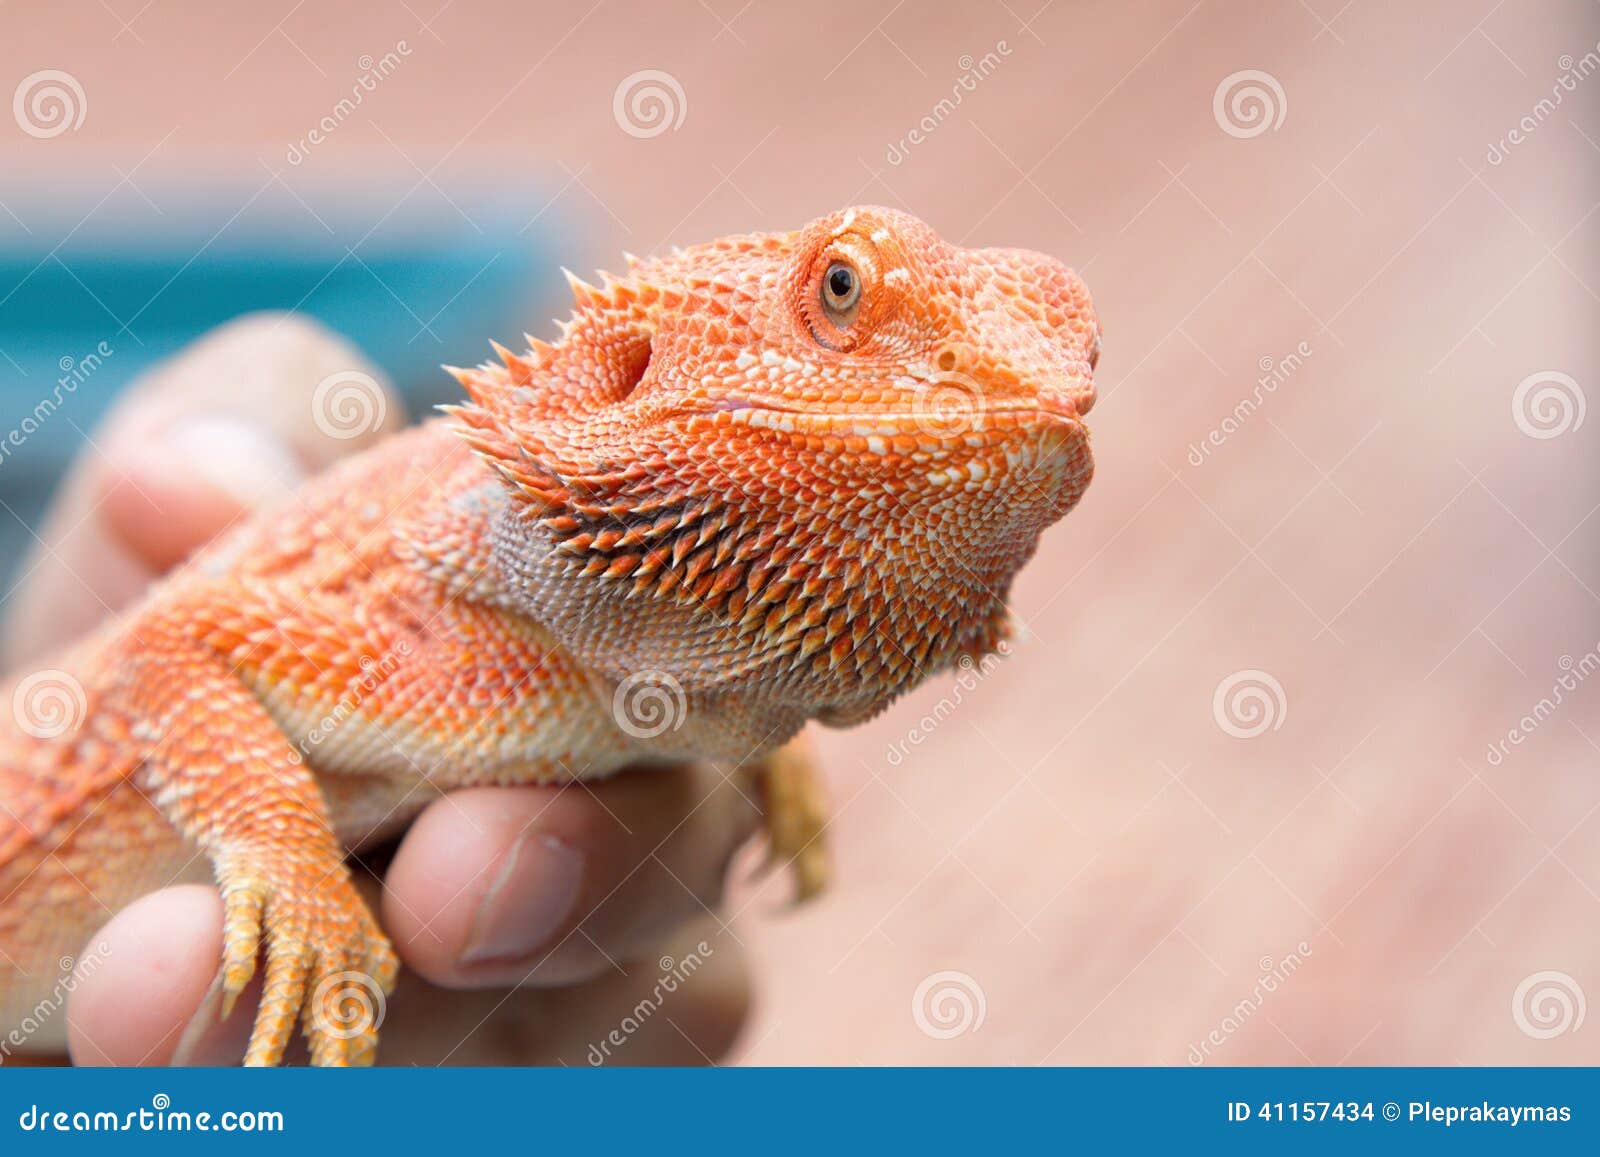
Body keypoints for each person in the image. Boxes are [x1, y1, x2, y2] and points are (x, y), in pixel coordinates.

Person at [2, 314, 755, 1065]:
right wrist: (288, 862)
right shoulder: (455, 629)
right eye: (840, 292)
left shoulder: (627, 633)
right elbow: (185, 641)